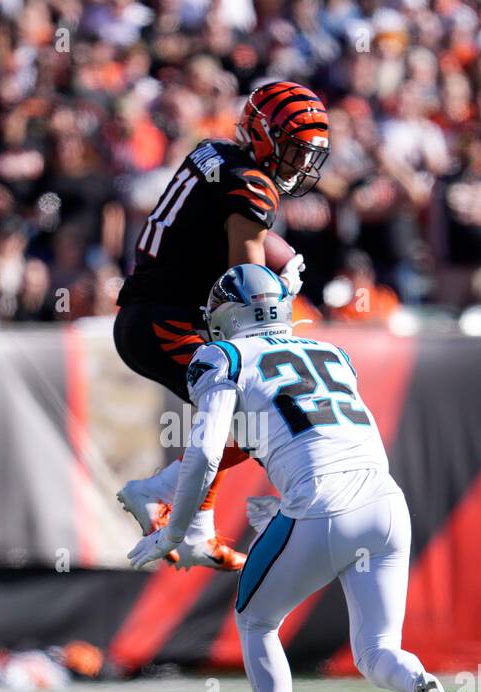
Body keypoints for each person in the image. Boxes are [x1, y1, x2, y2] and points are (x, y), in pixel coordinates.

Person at [125, 264, 464, 692]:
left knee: (256, 621)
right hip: (386, 503)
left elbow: (207, 454)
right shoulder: (331, 353)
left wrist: (175, 532)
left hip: (320, 505)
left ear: (230, 313)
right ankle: (418, 680)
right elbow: (296, 430)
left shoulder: (222, 356)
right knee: (379, 652)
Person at [113, 81, 329, 571]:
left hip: (150, 312)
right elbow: (245, 284)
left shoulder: (215, 153)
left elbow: (219, 222)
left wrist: (284, 254)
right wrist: (280, 294)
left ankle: (195, 527)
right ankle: (158, 493)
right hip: (165, 321)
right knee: (255, 409)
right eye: (295, 150)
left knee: (236, 411)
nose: (303, 164)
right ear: (265, 136)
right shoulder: (254, 186)